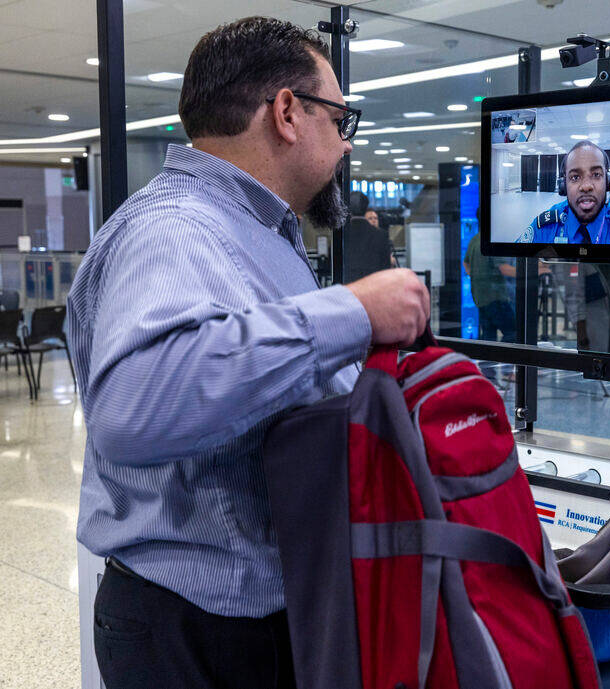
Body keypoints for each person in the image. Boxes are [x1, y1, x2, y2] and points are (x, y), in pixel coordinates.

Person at [67, 17, 429, 689]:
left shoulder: (252, 231)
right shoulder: (175, 229)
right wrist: (351, 312)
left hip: (257, 615)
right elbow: (132, 407)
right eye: (341, 121)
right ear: (288, 113)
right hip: (195, 633)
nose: (346, 149)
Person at [516, 140, 610, 246]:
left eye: (596, 175)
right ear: (563, 185)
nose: (586, 186)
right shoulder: (546, 226)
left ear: (608, 181)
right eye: (575, 177)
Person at [463, 230, 516, 343]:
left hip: (480, 297)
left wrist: (478, 275)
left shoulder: (475, 239)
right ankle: (505, 357)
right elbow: (505, 269)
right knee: (513, 333)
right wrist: (531, 272)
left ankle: (490, 359)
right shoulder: (492, 240)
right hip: (495, 297)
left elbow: (466, 264)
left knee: (489, 337)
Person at [344, 190, 396, 280]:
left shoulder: (342, 235)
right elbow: (385, 267)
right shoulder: (381, 235)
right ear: (366, 207)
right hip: (373, 285)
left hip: (349, 286)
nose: (374, 220)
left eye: (375, 218)